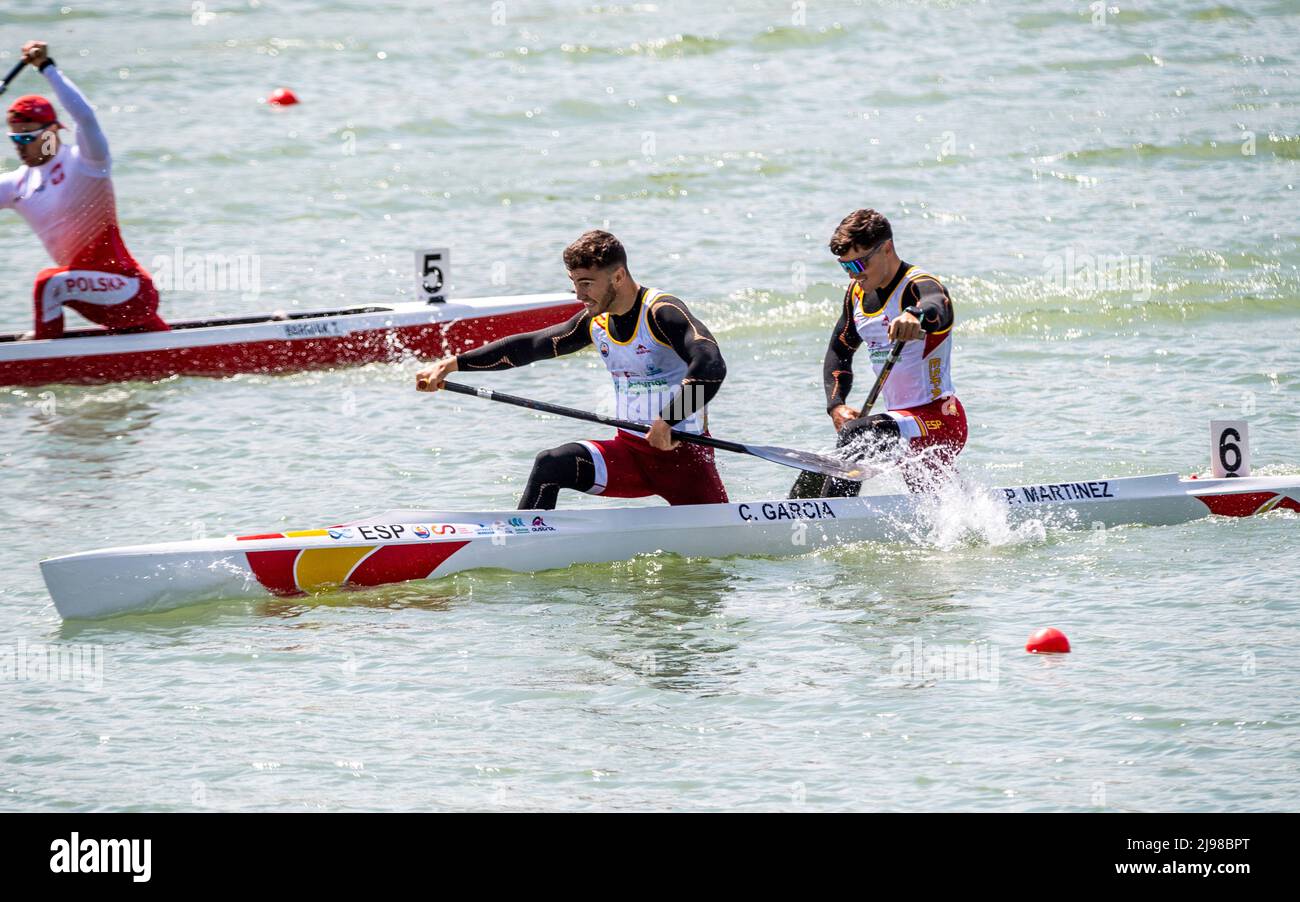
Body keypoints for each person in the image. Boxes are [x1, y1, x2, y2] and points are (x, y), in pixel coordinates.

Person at [415, 231, 729, 510]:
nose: (579, 295)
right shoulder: (595, 321)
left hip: (683, 456)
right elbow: (530, 346)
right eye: (575, 283)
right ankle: (524, 541)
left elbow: (712, 367)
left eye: (587, 283)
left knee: (720, 536)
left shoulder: (662, 313)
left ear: (618, 276)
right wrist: (452, 364)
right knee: (551, 464)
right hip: (630, 453)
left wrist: (668, 420)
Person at [792, 208, 966, 498]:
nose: (853, 274)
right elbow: (839, 350)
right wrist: (836, 405)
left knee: (858, 434)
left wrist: (914, 315)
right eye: (845, 267)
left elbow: (938, 304)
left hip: (940, 419)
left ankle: (834, 517)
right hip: (900, 423)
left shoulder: (918, 285)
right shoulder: (857, 294)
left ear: (886, 248)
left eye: (859, 264)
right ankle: (794, 516)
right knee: (820, 466)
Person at [1, 40, 166, 340]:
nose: (19, 146)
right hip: (97, 297)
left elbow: (86, 118)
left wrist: (47, 68)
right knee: (171, 351)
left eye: (26, 138)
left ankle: (46, 357)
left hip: (129, 290)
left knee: (48, 284)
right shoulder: (16, 184)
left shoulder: (86, 163)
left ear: (51, 132)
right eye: (14, 139)